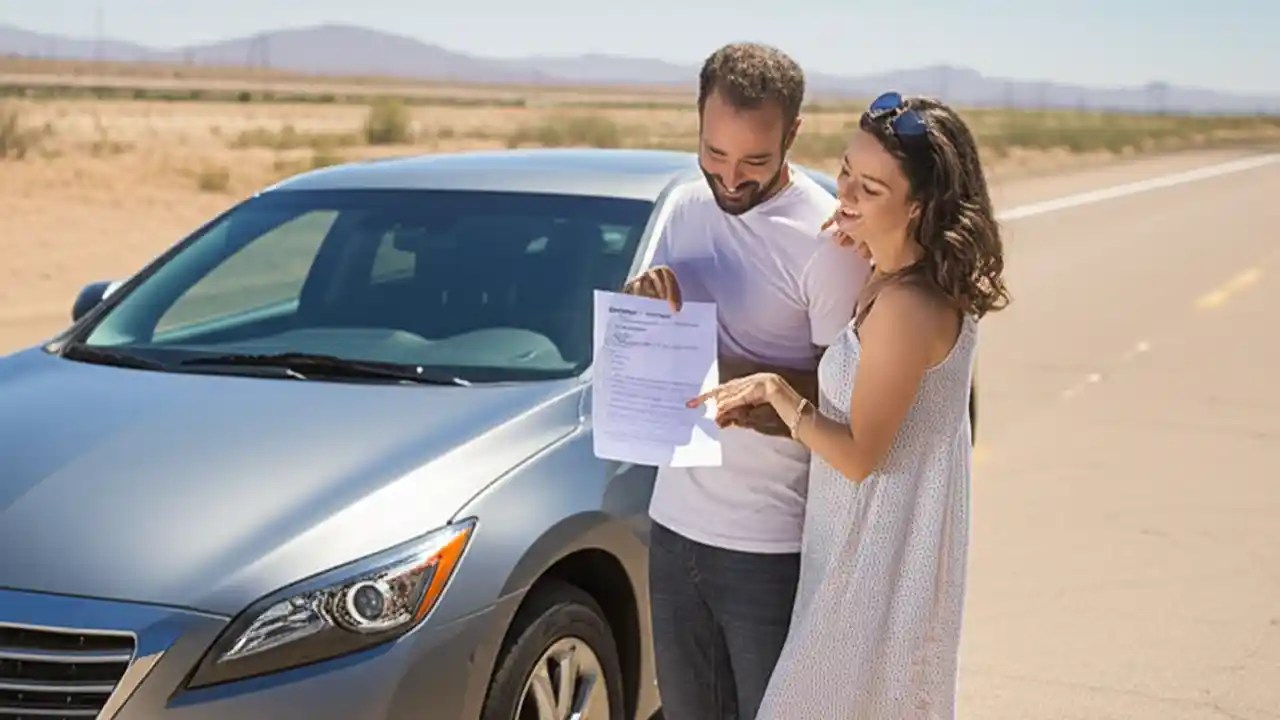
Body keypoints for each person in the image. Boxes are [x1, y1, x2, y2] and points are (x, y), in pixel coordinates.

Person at [689, 91, 1010, 719]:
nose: (846, 198)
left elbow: (862, 455)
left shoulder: (907, 308)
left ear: (918, 207)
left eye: (871, 189)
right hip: (851, 544)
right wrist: (863, 234)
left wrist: (777, 394)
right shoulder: (889, 271)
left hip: (878, 561)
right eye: (845, 172)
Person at [622, 43, 872, 719]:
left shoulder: (827, 244)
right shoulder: (681, 208)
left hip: (770, 546)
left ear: (792, 134)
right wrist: (641, 311)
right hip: (672, 531)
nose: (730, 179)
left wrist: (757, 389)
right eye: (714, 154)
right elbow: (644, 343)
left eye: (755, 161)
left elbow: (847, 398)